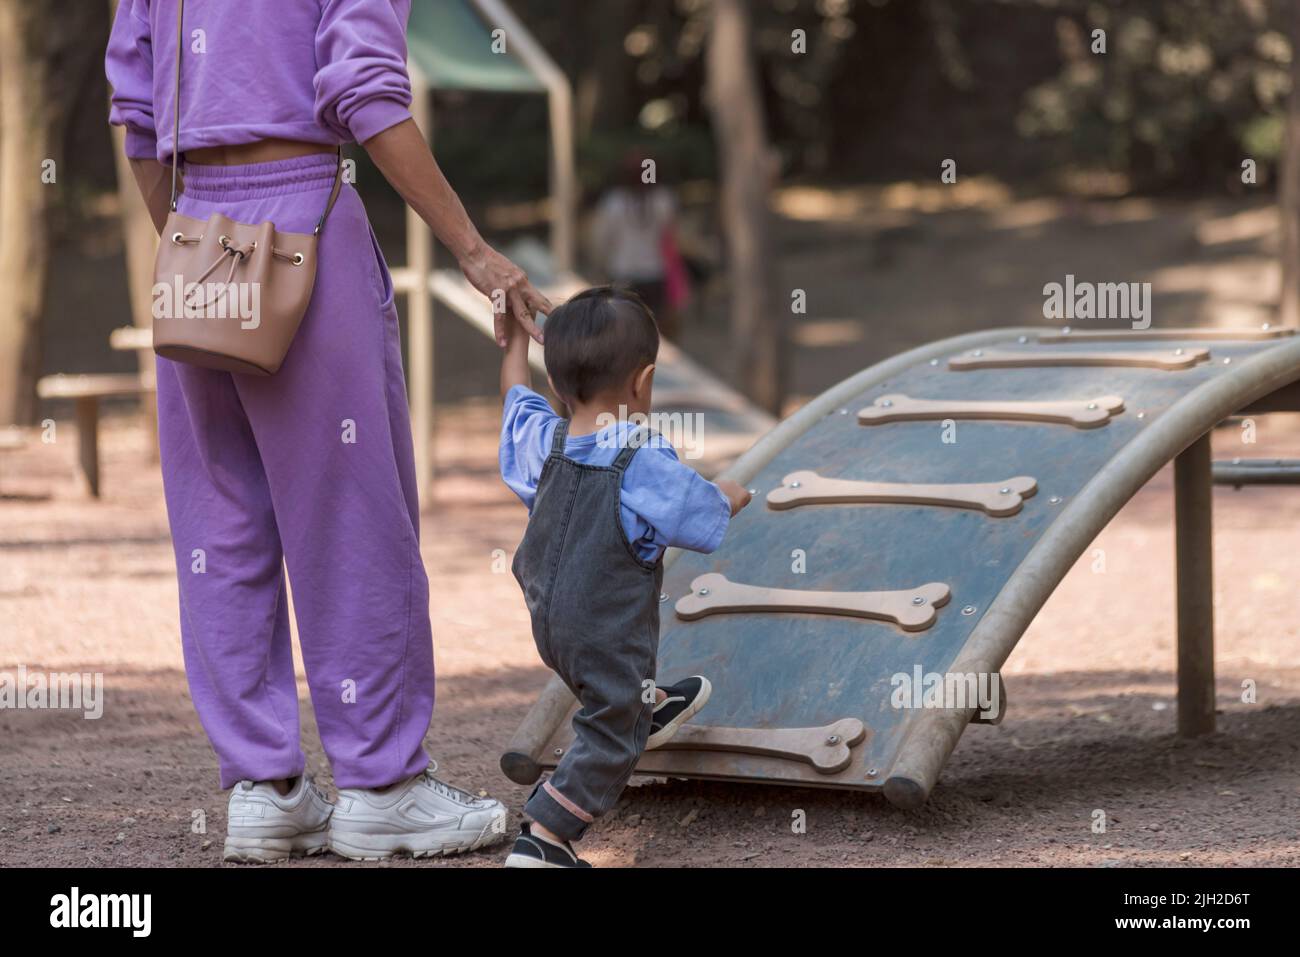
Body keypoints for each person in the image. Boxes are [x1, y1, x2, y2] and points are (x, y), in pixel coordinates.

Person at [105, 0, 551, 862]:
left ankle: (263, 790)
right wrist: (473, 250)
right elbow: (367, 94)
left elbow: (134, 109)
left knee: (220, 523)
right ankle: (382, 786)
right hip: (303, 219)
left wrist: (198, 248)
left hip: (195, 235)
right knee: (351, 522)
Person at [496, 286, 751, 867]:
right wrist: (732, 495)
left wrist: (511, 344)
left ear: (558, 385)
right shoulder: (642, 459)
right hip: (604, 628)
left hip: (548, 622)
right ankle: (544, 837)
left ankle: (644, 700)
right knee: (612, 731)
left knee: (613, 688)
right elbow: (700, 511)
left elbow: (515, 400)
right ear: (645, 380)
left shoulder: (546, 440)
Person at [591, 154, 686, 338]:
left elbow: (601, 241)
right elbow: (671, 235)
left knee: (625, 332)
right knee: (654, 331)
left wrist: (600, 264)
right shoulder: (663, 200)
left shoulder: (613, 202)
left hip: (623, 274)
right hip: (655, 274)